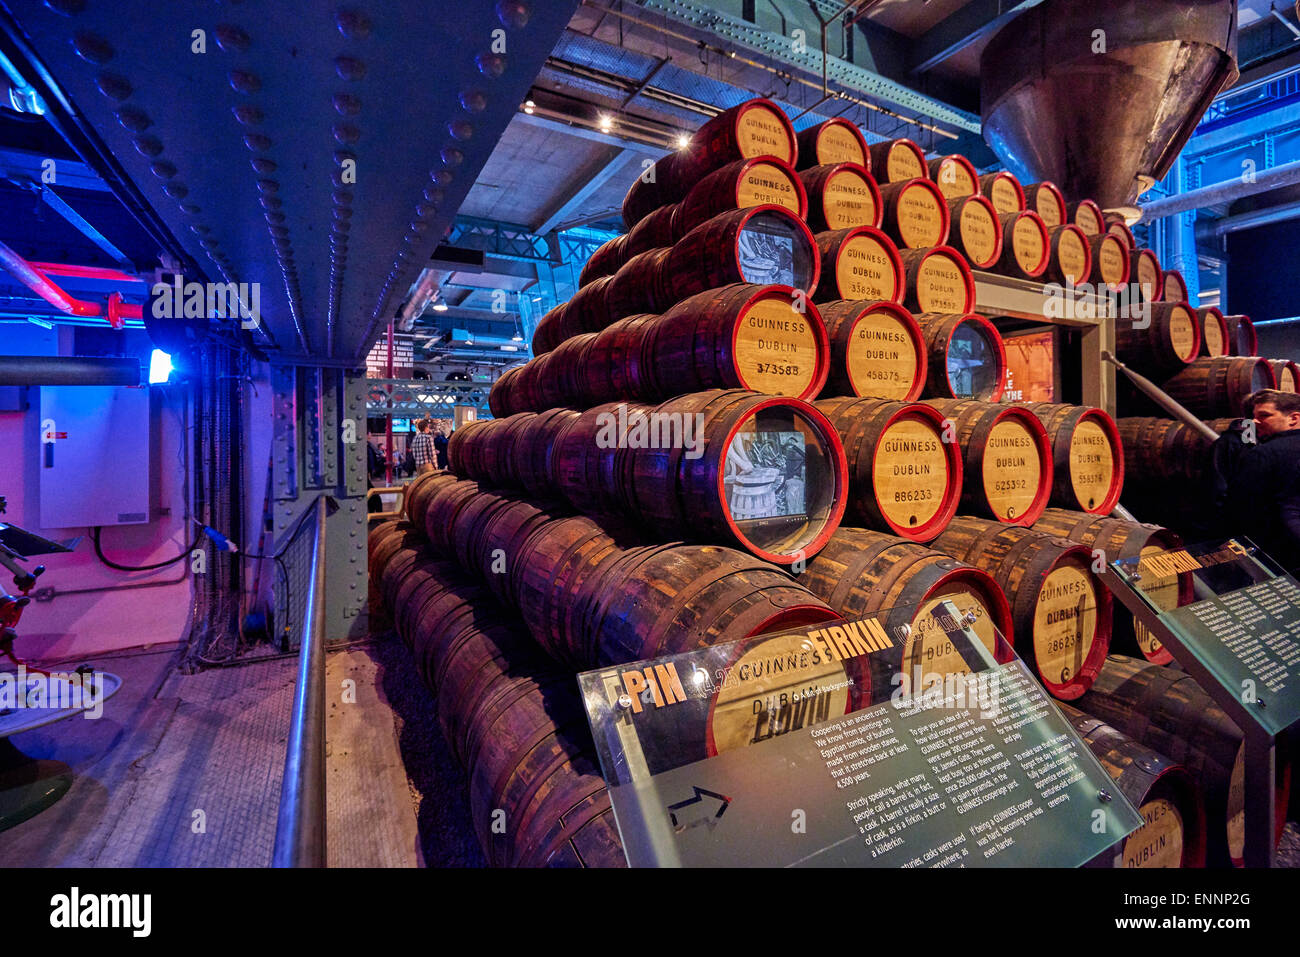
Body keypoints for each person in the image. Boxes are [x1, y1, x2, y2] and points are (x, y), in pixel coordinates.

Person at [1217, 389, 1300, 575]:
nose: (1254, 422)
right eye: (1253, 416)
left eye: (1265, 415)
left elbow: (1241, 506)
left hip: (1280, 553)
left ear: (1293, 419)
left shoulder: (1265, 453)